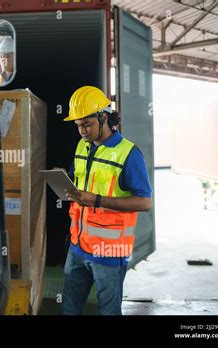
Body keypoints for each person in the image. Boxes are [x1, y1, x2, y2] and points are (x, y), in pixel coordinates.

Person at [62, 85, 152, 315]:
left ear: (104, 117)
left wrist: (97, 200)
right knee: (69, 309)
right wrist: (64, 181)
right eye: (78, 126)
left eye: (86, 124)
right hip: (78, 247)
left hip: (109, 252)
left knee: (109, 312)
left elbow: (144, 203)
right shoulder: (83, 146)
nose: (81, 131)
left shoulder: (129, 154)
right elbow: (79, 180)